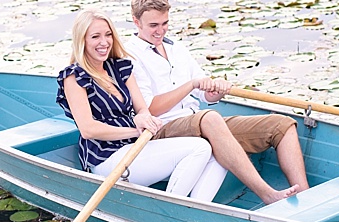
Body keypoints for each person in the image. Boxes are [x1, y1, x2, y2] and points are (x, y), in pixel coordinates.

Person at [122, 0, 309, 204]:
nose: (160, 31)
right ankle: (267, 194)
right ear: (136, 22)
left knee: (281, 125)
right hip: (161, 128)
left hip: (197, 121)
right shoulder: (130, 56)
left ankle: (307, 198)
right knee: (210, 118)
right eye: (153, 25)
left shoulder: (176, 47)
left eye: (165, 23)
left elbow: (203, 93)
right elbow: (150, 108)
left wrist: (214, 91)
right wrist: (190, 85)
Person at [57, 11, 225, 201]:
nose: (104, 42)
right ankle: (172, 208)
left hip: (136, 146)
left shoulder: (120, 67)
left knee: (217, 152)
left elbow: (142, 108)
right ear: (82, 40)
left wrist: (143, 118)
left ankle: (195, 208)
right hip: (106, 157)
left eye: (108, 34)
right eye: (95, 36)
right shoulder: (74, 76)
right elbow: (88, 130)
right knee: (199, 148)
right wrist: (136, 131)